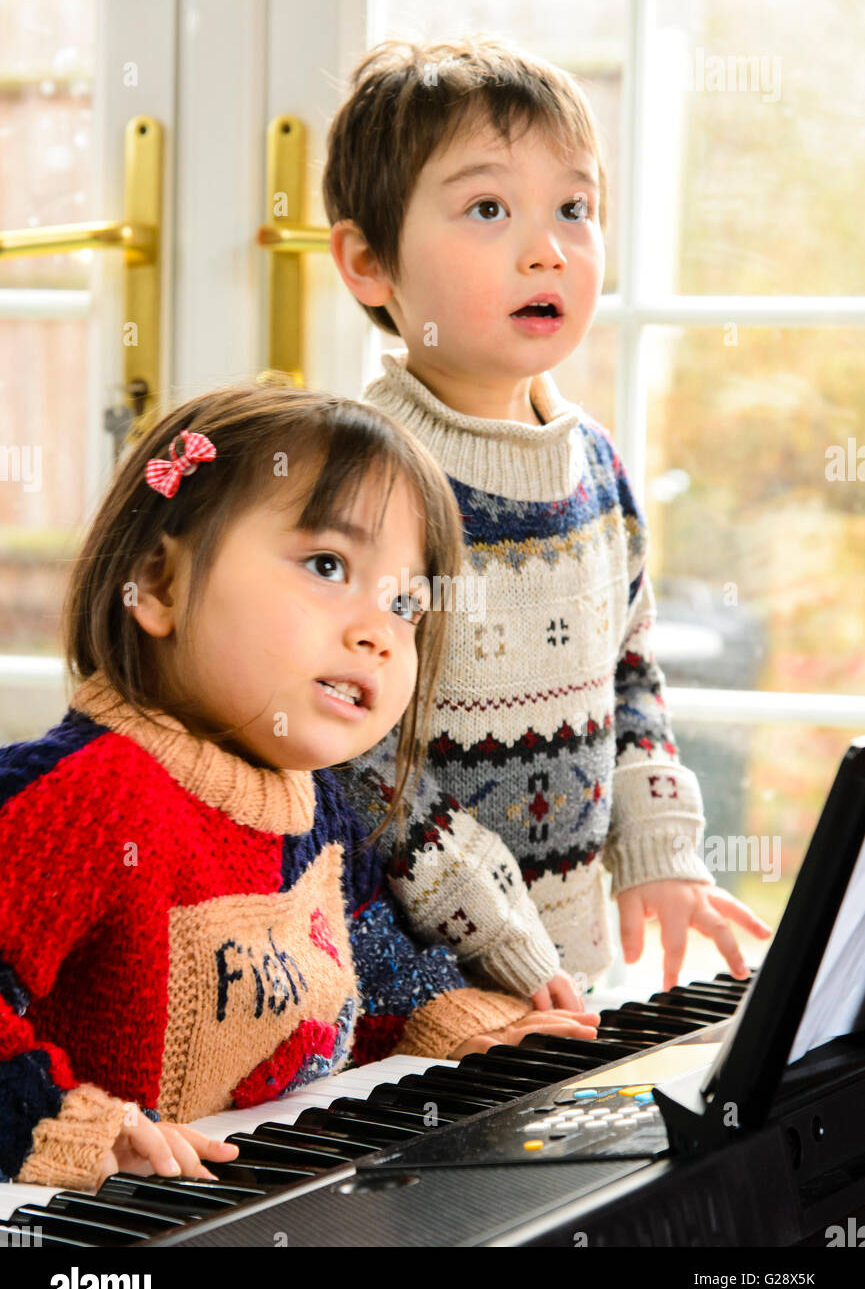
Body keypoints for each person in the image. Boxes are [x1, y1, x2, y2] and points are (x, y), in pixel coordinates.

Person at [0, 382, 599, 1194]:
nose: (376, 633)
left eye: (405, 605)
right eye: (327, 565)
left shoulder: (319, 809)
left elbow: (374, 972)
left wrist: (461, 1031)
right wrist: (58, 1123)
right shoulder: (93, 796)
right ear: (161, 585)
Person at [323, 34, 772, 1008]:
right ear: (367, 261)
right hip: (419, 995)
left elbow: (628, 667)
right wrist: (504, 941)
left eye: (574, 207)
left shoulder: (596, 465)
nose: (549, 247)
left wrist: (658, 842)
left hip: (566, 975)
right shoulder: (366, 484)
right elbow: (354, 751)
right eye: (489, 208)